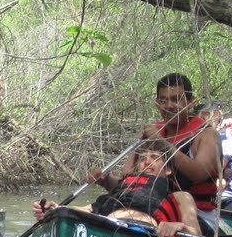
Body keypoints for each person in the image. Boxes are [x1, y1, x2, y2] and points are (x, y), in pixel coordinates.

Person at [89, 72, 219, 222]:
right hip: (149, 205)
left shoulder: (207, 135)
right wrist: (105, 181)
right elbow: (129, 181)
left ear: (191, 102)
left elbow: (199, 173)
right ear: (157, 103)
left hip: (195, 213)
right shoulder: (151, 133)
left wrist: (162, 143)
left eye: (176, 99)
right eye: (163, 100)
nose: (169, 105)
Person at [36, 138, 196, 237]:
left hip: (143, 235)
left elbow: (197, 233)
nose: (147, 162)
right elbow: (88, 210)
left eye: (154, 158)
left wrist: (179, 226)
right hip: (106, 228)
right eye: (143, 159)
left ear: (168, 169)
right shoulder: (122, 189)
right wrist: (55, 209)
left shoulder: (180, 196)